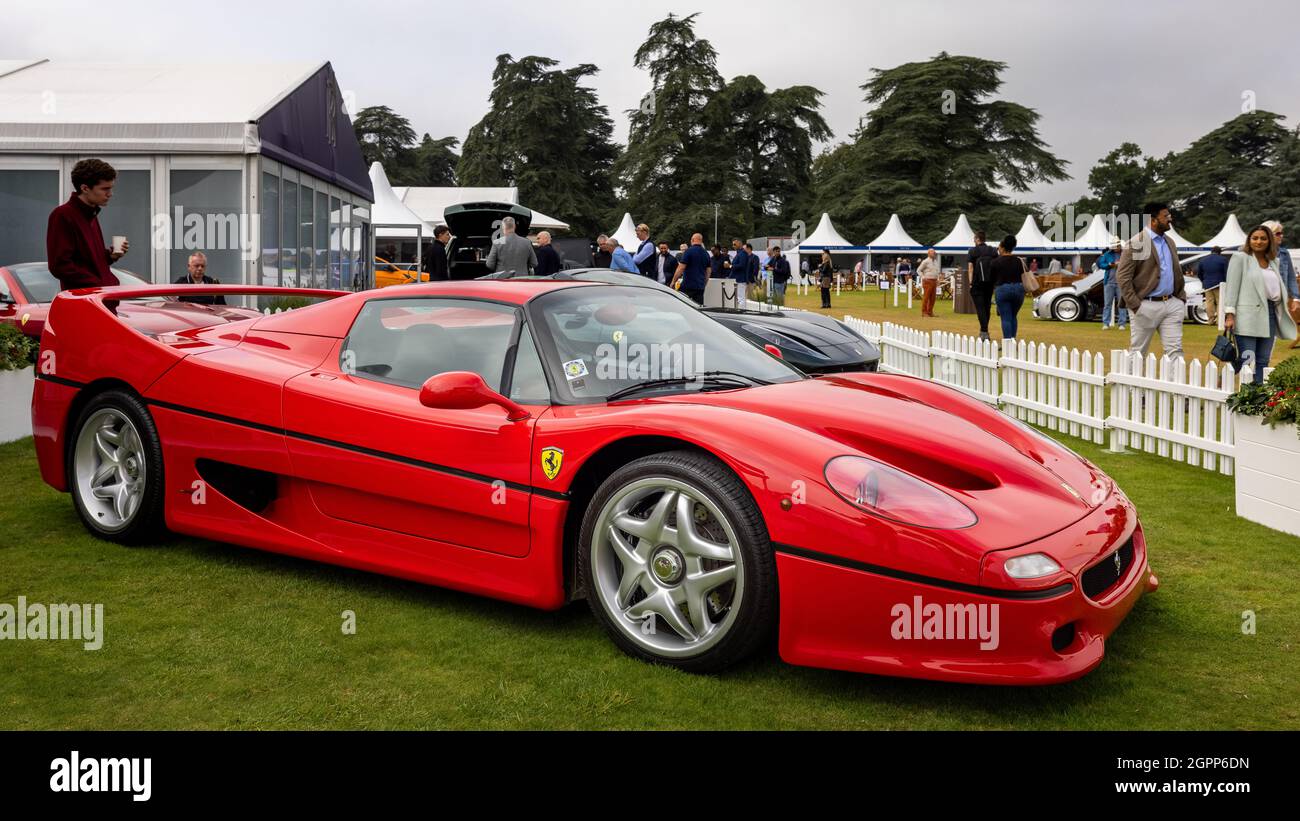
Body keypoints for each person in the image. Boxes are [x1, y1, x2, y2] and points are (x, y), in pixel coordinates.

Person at [1223, 225, 1298, 383]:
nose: (1259, 241)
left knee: (1263, 361)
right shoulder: (1240, 258)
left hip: (1270, 314)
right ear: (1249, 240)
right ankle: (1224, 383)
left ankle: (1257, 399)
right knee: (1247, 359)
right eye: (1255, 238)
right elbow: (1232, 288)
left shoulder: (1274, 262)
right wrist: (1230, 314)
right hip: (1247, 316)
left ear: (1269, 241)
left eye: (1263, 238)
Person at [1116, 202, 1186, 360]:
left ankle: (1173, 385)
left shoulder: (1170, 242)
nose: (1170, 218)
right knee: (1138, 352)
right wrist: (1135, 305)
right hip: (1145, 305)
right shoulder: (1136, 242)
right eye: (1165, 216)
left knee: (1175, 351)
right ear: (1153, 220)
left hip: (1172, 304)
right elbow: (1123, 276)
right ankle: (1132, 385)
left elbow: (1176, 271)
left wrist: (1180, 299)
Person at [47, 158, 128, 290]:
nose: (110, 194)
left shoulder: (91, 215)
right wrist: (97, 285)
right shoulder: (63, 215)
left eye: (111, 188)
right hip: (85, 302)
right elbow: (59, 266)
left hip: (100, 299)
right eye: (105, 189)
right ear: (85, 188)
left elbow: (87, 262)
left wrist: (110, 256)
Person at [1262, 220, 1300, 349]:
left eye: (1281, 233)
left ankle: (1263, 365)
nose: (1281, 236)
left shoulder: (1284, 253)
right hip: (1257, 301)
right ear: (1269, 234)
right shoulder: (1254, 254)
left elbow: (1290, 278)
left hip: (1276, 302)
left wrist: (1295, 298)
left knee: (1271, 337)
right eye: (1278, 233)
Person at [989, 235, 1027, 339]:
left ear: (1002, 247)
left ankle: (1007, 342)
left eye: (999, 248)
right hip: (1018, 289)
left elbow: (991, 279)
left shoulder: (995, 262)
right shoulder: (1019, 261)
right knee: (1013, 316)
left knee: (1005, 318)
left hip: (1003, 289)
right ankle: (1013, 340)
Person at [967, 230, 998, 340]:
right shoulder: (992, 250)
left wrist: (970, 282)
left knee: (980, 307)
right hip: (989, 282)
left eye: (974, 239)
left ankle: (984, 331)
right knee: (987, 307)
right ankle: (983, 330)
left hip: (977, 282)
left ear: (977, 239)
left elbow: (970, 268)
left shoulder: (972, 251)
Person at [671, 233, 712, 304]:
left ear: (692, 240)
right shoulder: (706, 254)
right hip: (700, 287)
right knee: (698, 308)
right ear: (701, 241)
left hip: (687, 286)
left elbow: (681, 268)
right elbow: (708, 272)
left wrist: (673, 282)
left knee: (682, 305)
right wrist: (703, 284)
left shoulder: (688, 251)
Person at [1098, 241, 1127, 329]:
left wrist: (1121, 264)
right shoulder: (1107, 254)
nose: (1114, 248)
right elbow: (1101, 264)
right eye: (1113, 247)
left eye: (1116, 247)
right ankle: (1106, 323)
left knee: (1122, 304)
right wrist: (1109, 265)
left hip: (1121, 282)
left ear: (1119, 246)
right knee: (1107, 304)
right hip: (1109, 282)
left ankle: (1122, 324)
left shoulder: (1125, 253)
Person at [1198, 245, 1228, 325]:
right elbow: (1226, 273)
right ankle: (1219, 320)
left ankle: (1210, 320)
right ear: (1220, 252)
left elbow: (1199, 274)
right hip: (1219, 284)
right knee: (1220, 302)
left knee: (1209, 302)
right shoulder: (1223, 260)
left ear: (1211, 251)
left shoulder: (1203, 260)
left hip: (1207, 285)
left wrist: (1204, 281)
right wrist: (1226, 282)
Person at [918, 248, 941, 317]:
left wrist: (938, 279)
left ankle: (930, 312)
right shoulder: (925, 261)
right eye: (932, 252)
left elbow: (937, 271)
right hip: (927, 281)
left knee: (933, 298)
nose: (934, 253)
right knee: (926, 297)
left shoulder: (936, 261)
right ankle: (924, 312)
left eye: (934, 252)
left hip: (934, 280)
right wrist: (923, 277)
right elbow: (918, 270)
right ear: (929, 253)